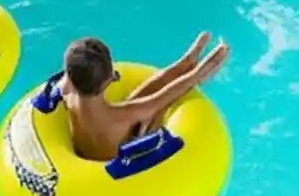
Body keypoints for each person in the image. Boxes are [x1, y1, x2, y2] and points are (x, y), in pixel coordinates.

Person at [59, 32, 229, 162]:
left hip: (87, 152)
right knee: (159, 106)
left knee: (136, 99)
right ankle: (193, 70)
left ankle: (184, 63)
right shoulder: (119, 116)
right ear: (108, 82)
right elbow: (161, 98)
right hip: (118, 164)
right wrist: (197, 75)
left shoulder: (66, 92)